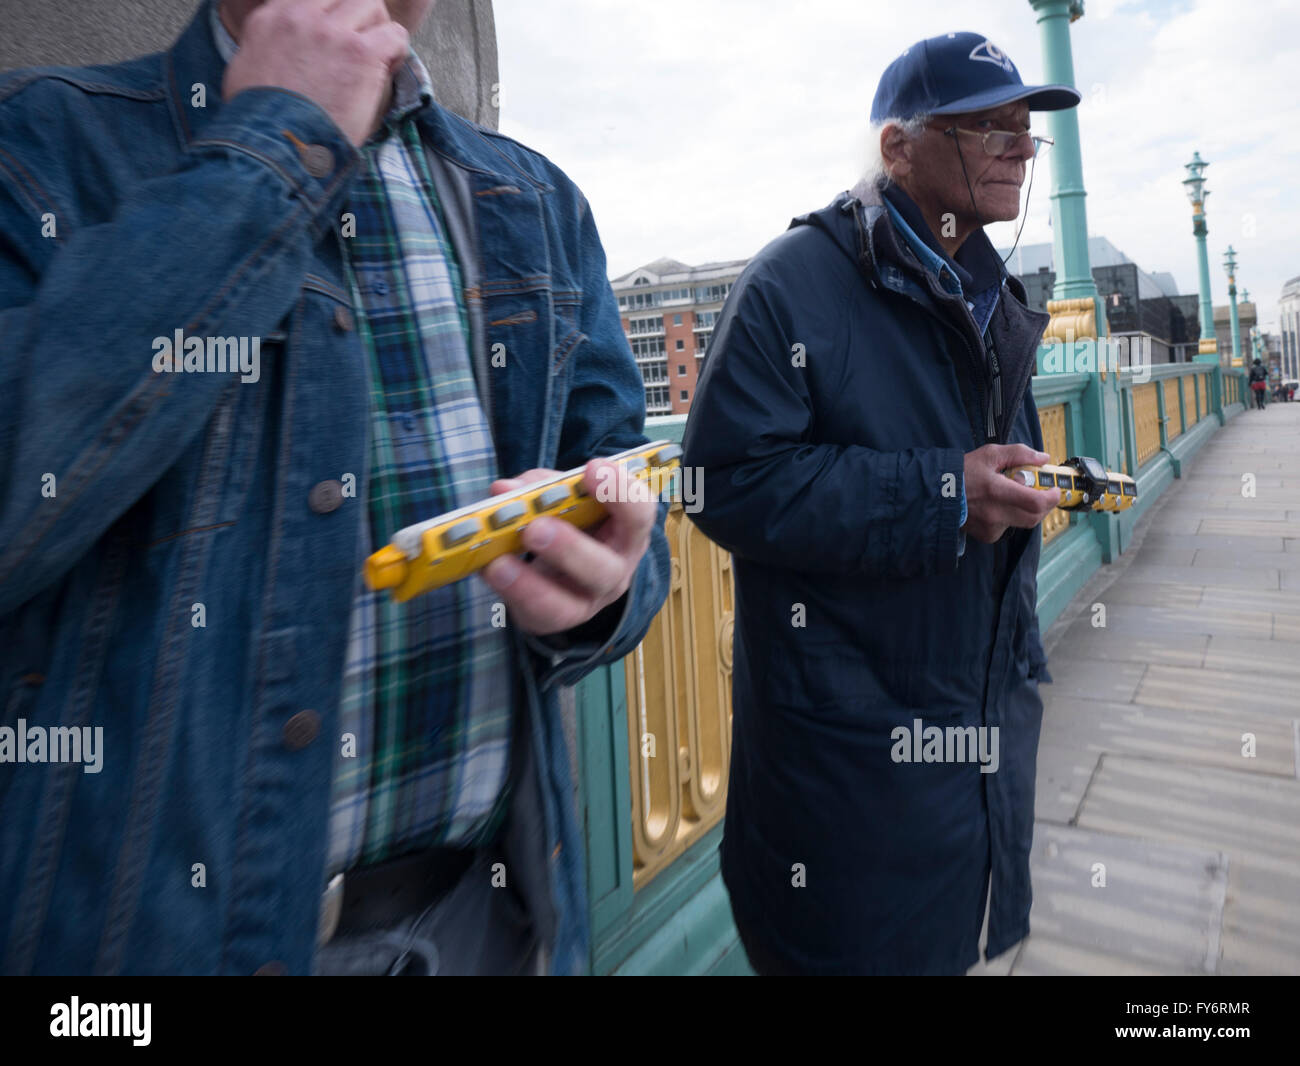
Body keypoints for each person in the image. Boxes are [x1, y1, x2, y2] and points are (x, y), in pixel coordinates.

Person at [0, 0, 670, 975]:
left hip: (495, 922)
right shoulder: (39, 144)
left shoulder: (535, 199)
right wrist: (277, 142)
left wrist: (602, 589)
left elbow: (623, 493)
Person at [683, 32, 1078, 975]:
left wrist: (1018, 483)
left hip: (971, 743)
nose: (1020, 149)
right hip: (846, 777)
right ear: (899, 147)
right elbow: (722, 481)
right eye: (990, 130)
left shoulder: (990, 288)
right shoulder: (791, 282)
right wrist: (945, 494)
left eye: (1026, 133)